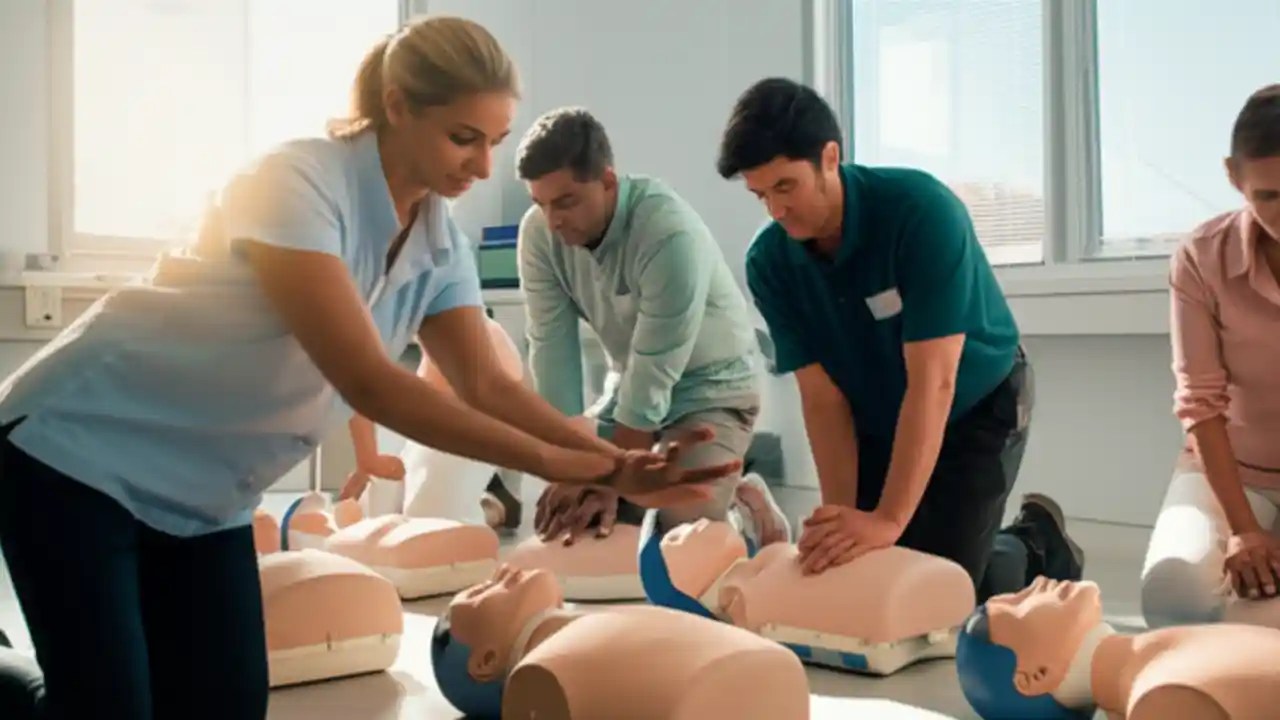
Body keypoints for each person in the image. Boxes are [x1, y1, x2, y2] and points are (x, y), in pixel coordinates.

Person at [0, 18, 735, 719]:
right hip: (75, 455)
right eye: (463, 139)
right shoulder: (295, 183)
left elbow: (490, 385)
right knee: (106, 712)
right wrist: (569, 464)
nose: (482, 168)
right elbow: (369, 382)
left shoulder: (438, 239)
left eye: (495, 142)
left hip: (199, 495)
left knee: (221, 708)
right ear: (395, 107)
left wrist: (610, 464)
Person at [715, 77, 1083, 601]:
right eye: (760, 195)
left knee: (938, 592)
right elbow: (822, 401)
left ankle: (1036, 544)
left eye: (785, 187)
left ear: (829, 157)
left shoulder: (921, 212)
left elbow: (934, 382)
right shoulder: (769, 261)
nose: (775, 211)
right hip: (878, 413)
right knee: (868, 572)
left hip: (975, 401)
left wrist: (887, 519)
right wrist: (839, 525)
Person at [514, 107, 790, 547]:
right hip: (626, 392)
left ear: (608, 181)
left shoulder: (667, 232)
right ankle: (700, 493)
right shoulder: (539, 235)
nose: (553, 221)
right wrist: (570, 468)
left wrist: (608, 480)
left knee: (678, 536)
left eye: (565, 201)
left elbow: (653, 372)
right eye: (540, 203)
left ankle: (742, 506)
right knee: (572, 517)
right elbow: (551, 349)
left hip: (710, 392)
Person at [1140, 84, 1280, 628]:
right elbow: (1200, 404)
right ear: (1233, 176)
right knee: (1174, 599)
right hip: (1233, 472)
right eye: (1269, 196)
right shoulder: (1201, 257)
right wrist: (1244, 527)